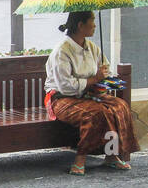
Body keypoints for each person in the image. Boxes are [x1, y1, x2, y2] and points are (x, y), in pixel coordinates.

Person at [44, 10, 140, 175]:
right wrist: (93, 80)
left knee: (119, 106)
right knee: (96, 113)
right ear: (80, 25)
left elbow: (106, 71)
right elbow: (65, 86)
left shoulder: (92, 48)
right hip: (62, 99)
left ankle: (112, 155)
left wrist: (104, 77)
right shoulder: (62, 51)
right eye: (92, 21)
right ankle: (80, 158)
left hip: (88, 96)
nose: (95, 25)